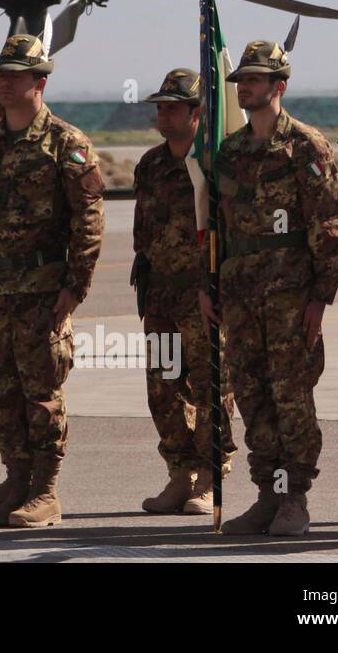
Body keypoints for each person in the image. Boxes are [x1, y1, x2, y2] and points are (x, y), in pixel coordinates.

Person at [0, 34, 106, 527]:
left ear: (39, 83)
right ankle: (16, 476)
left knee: (41, 392)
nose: (4, 83)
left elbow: (88, 221)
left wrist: (74, 288)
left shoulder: (67, 143)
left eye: (15, 76)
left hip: (42, 291)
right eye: (1, 75)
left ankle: (45, 490)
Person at [208, 38, 338, 537]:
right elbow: (219, 228)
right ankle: (267, 493)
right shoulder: (230, 151)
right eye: (241, 79)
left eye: (255, 79)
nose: (244, 86)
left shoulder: (306, 147)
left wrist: (319, 299)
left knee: (292, 398)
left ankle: (294, 499)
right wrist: (212, 287)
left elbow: (329, 228)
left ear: (278, 86)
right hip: (241, 296)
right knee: (251, 395)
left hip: (290, 298)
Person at [131, 69, 235, 514]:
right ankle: (181, 473)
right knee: (164, 389)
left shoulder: (215, 164)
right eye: (159, 107)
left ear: (197, 113)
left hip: (202, 297)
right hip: (161, 297)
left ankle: (211, 476)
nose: (163, 115)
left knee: (212, 387)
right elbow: (143, 232)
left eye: (173, 107)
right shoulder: (151, 164)